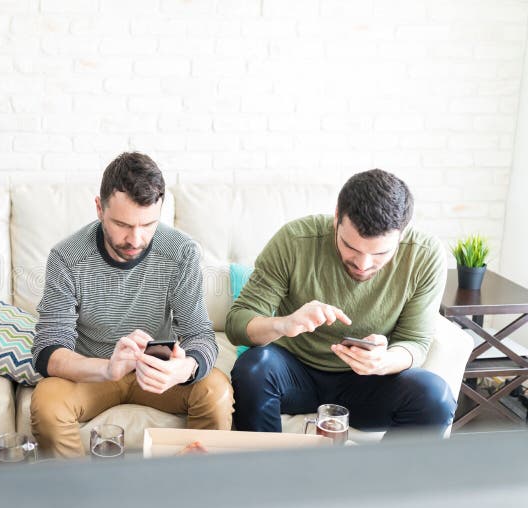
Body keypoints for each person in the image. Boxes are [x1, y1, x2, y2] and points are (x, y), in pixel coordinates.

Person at [31, 152, 233, 457]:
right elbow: (47, 349)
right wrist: (108, 369)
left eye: (148, 224)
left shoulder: (181, 252)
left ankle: (191, 493)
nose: (136, 239)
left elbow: (200, 336)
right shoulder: (66, 257)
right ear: (99, 208)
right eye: (122, 225)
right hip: (95, 370)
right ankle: (79, 498)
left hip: (156, 372)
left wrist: (185, 368)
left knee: (216, 390)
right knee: (46, 402)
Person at [226, 169, 456, 437]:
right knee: (253, 369)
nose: (363, 264)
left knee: (435, 396)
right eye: (351, 247)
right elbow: (237, 322)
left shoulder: (425, 256)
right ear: (337, 217)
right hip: (294, 372)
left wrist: (384, 360)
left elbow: (415, 342)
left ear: (402, 233)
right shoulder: (295, 240)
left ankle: (388, 479)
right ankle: (268, 474)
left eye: (380, 253)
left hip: (370, 382)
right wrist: (283, 324)